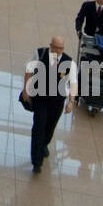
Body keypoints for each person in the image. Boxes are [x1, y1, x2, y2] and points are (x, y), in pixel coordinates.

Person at [21, 35, 75, 173]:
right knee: (38, 127)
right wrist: (26, 89)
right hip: (41, 99)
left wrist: (71, 101)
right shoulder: (40, 54)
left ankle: (44, 144)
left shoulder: (68, 62)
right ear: (50, 45)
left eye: (60, 48)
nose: (57, 51)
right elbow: (29, 70)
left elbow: (73, 83)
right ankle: (36, 162)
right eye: (55, 47)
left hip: (57, 102)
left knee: (50, 127)